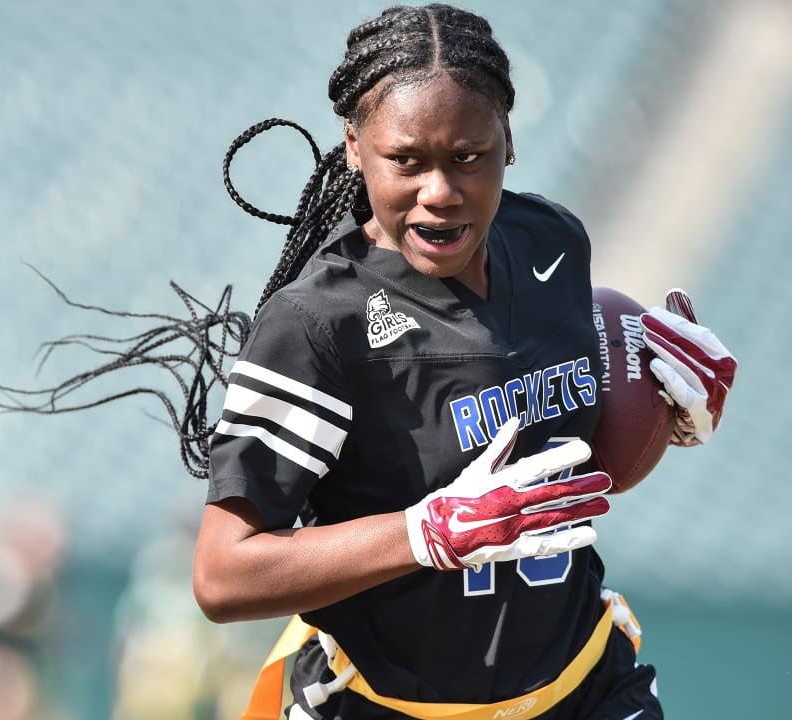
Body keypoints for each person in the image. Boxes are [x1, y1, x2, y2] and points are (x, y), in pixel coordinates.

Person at [188, 5, 738, 720]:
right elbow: (223, 573)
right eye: (406, 160)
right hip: (388, 706)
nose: (440, 192)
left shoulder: (552, 242)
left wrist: (668, 409)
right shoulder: (319, 322)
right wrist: (425, 533)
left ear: (508, 139)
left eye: (468, 157)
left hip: (584, 687)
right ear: (354, 147)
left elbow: (564, 466)